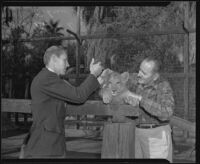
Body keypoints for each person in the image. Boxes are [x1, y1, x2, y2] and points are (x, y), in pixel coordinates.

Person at [22, 45, 104, 158]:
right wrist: (93, 75)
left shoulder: (50, 79)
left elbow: (76, 94)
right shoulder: (47, 79)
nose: (68, 64)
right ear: (54, 60)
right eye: (65, 60)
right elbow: (78, 96)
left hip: (50, 144)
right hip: (46, 147)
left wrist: (97, 80)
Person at [124, 56, 174, 162]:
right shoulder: (137, 82)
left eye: (144, 73)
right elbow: (117, 81)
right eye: (139, 70)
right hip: (137, 134)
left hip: (156, 136)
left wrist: (141, 99)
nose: (139, 74)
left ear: (155, 76)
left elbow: (167, 112)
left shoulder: (163, 86)